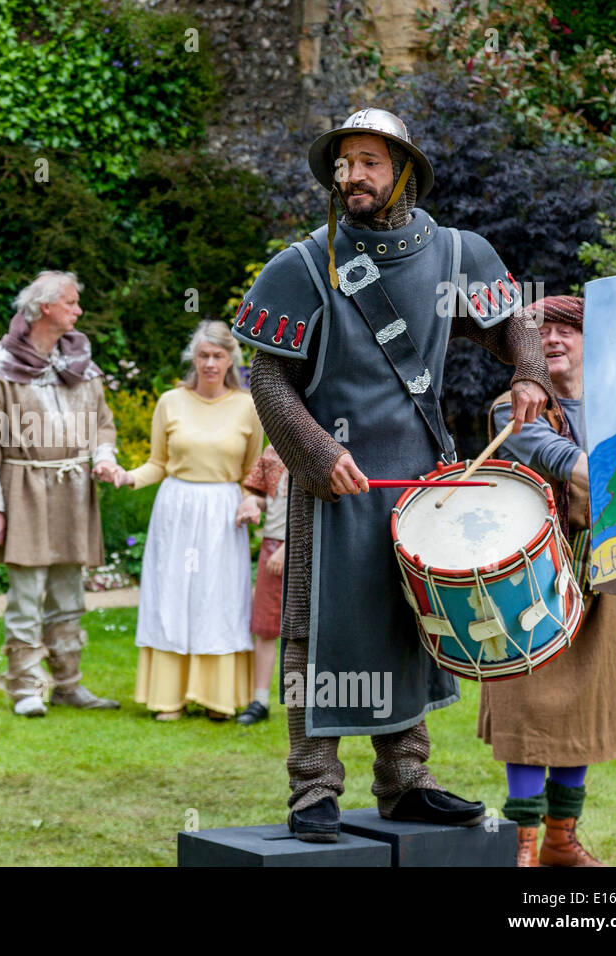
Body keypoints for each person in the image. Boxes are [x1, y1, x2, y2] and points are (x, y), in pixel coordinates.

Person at [236, 108, 552, 841]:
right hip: (332, 485)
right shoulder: (304, 265)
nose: (353, 176)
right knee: (316, 633)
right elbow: (269, 377)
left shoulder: (455, 255)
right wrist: (315, 454)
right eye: (345, 163)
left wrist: (530, 368)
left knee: (410, 625)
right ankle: (312, 788)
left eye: (370, 162)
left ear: (403, 171)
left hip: (421, 487)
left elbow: (513, 322)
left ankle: (407, 779)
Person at [479, 295, 616, 867]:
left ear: (589, 345)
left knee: (582, 708)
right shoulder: (509, 411)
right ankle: (523, 845)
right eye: (541, 333)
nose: (553, 340)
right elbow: (557, 456)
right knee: (527, 709)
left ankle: (561, 840)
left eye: (566, 330)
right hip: (526, 579)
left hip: (596, 572)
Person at [0, 270, 122, 717]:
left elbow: (102, 422)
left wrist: (104, 457)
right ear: (46, 308)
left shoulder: (81, 365)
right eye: (71, 303)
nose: (79, 310)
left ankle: (69, 683)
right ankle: (27, 688)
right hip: (24, 492)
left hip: (73, 491)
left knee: (69, 593)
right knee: (28, 595)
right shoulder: (1, 368)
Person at [112, 320, 262, 721]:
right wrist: (129, 477)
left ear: (231, 359)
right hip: (176, 510)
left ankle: (217, 697)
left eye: (217, 356)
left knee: (219, 600)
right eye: (203, 356)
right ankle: (169, 697)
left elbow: (252, 475)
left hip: (222, 514)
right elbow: (158, 463)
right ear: (193, 359)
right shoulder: (170, 402)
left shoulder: (248, 406)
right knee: (172, 596)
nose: (210, 363)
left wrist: (252, 503)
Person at [238, 444, 290, 724]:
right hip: (272, 544)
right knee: (266, 625)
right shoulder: (273, 452)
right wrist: (250, 503)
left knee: (310, 629)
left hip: (305, 547)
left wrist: (289, 545)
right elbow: (258, 492)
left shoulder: (321, 448)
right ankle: (260, 700)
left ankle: (312, 701)